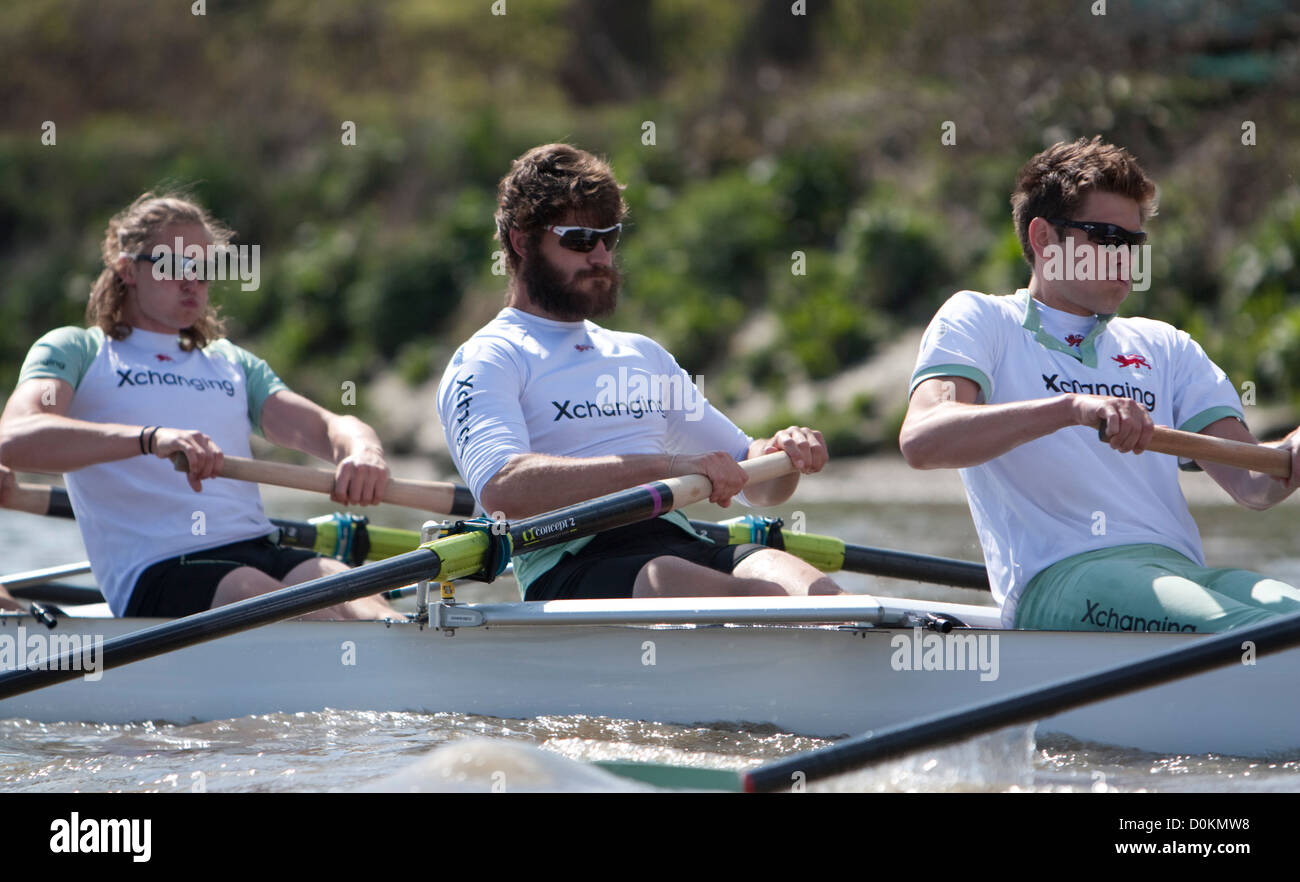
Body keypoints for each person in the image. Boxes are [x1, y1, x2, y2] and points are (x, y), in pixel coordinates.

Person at [900, 136, 1300, 633]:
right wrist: (1070, 409)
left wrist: (1291, 453)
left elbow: (1252, 485)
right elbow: (923, 439)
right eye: (1105, 237)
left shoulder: (1165, 346)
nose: (1125, 259)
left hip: (1180, 572)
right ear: (1043, 238)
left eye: (1133, 243)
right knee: (1258, 634)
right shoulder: (979, 320)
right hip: (1062, 580)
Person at [437, 143, 842, 600]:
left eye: (609, 237)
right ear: (521, 241)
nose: (601, 257)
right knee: (715, 588)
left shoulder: (640, 354)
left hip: (676, 541)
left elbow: (756, 486)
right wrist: (667, 468)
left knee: (817, 592)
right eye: (579, 239)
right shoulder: (488, 358)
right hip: (572, 563)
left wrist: (783, 452)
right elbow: (503, 489)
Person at [0, 192, 396, 620]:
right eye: (174, 265)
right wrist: (151, 440)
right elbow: (14, 438)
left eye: (204, 268)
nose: (192, 281)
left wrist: (363, 453)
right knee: (258, 593)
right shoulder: (77, 349)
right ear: (127, 268)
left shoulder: (231, 362)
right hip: (159, 573)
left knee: (353, 590)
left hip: (259, 549)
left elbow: (327, 426)